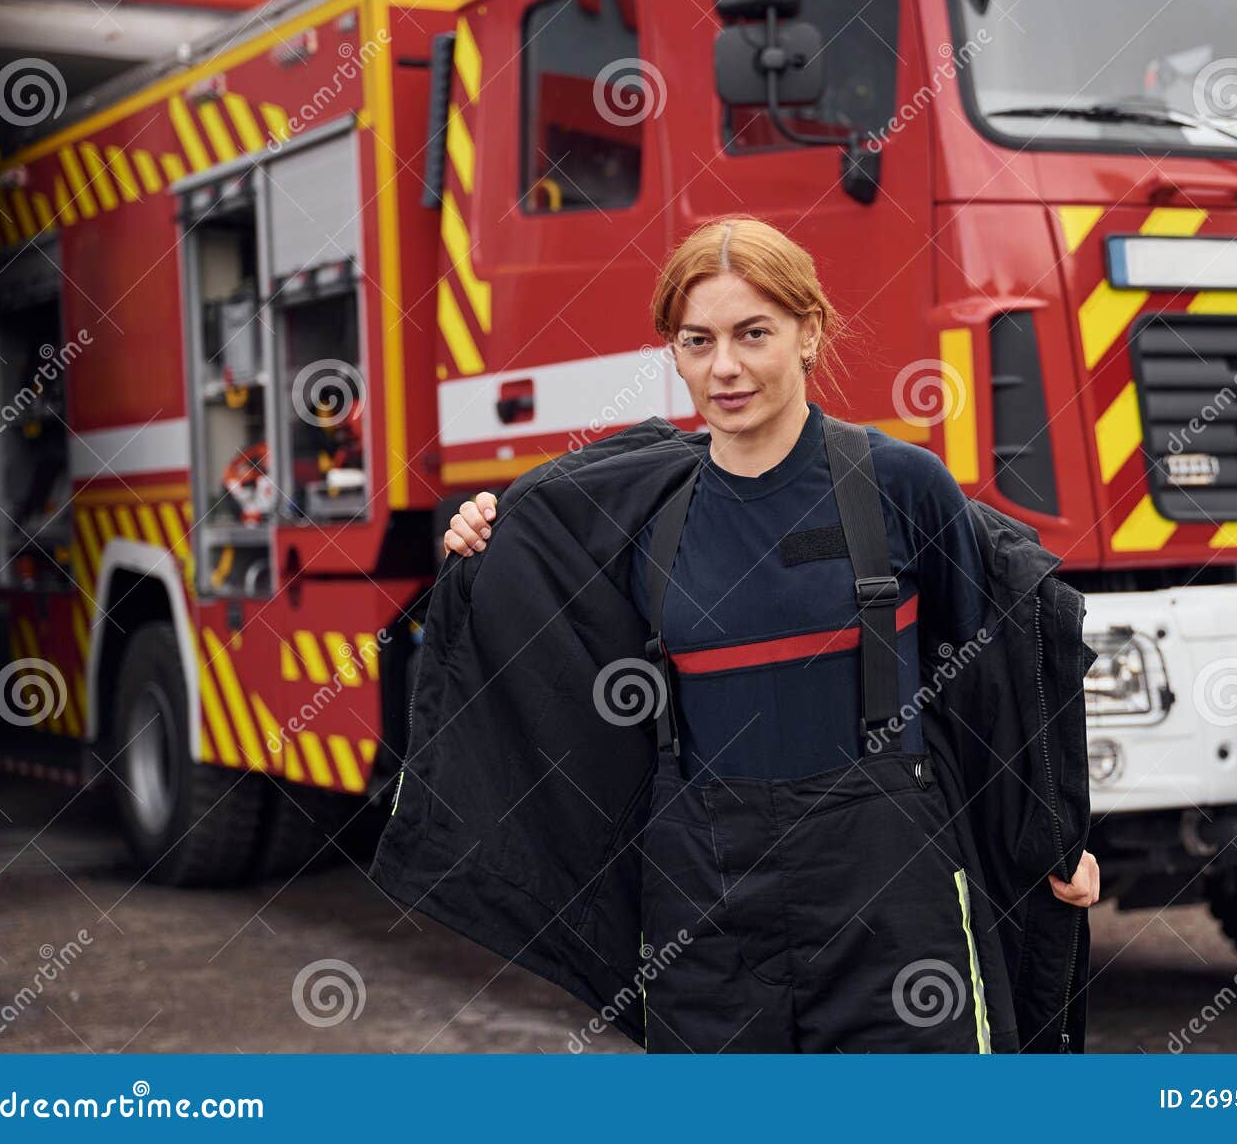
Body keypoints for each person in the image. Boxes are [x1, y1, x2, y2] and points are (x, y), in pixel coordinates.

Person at [436, 215, 1097, 1052]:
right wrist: (480, 540)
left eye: (754, 334)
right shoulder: (639, 508)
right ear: (672, 351)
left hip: (890, 899)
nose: (724, 367)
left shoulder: (901, 484)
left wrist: (1052, 833)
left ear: (809, 331)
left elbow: (991, 675)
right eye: (696, 340)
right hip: (704, 910)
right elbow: (540, 639)